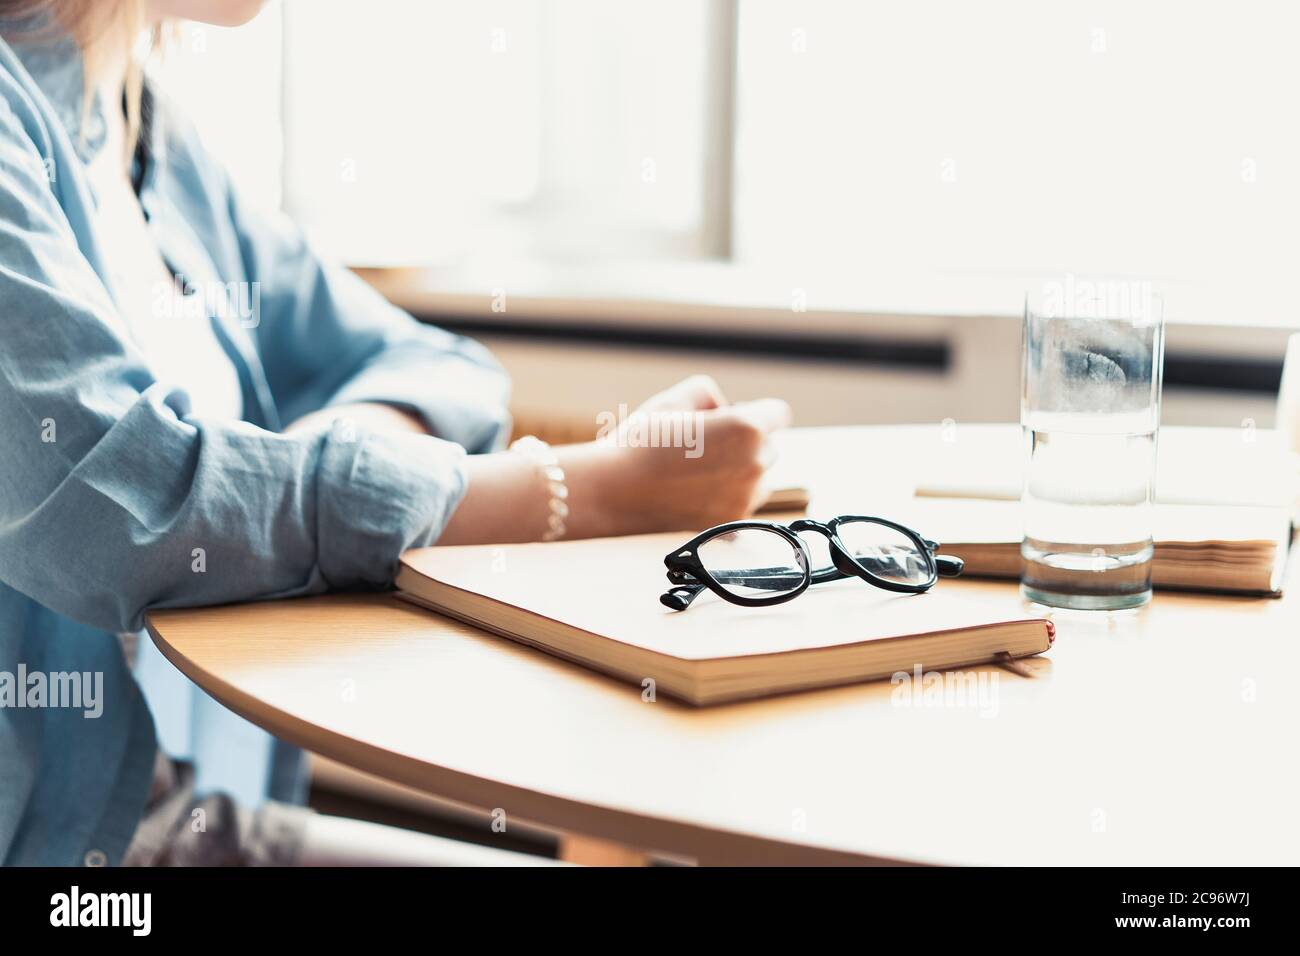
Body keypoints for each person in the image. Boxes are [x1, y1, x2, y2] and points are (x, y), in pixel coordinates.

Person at [0, 0, 790, 866]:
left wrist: (304, 473)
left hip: (189, 815)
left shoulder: (140, 127)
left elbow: (438, 364)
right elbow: (119, 508)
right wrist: (571, 494)